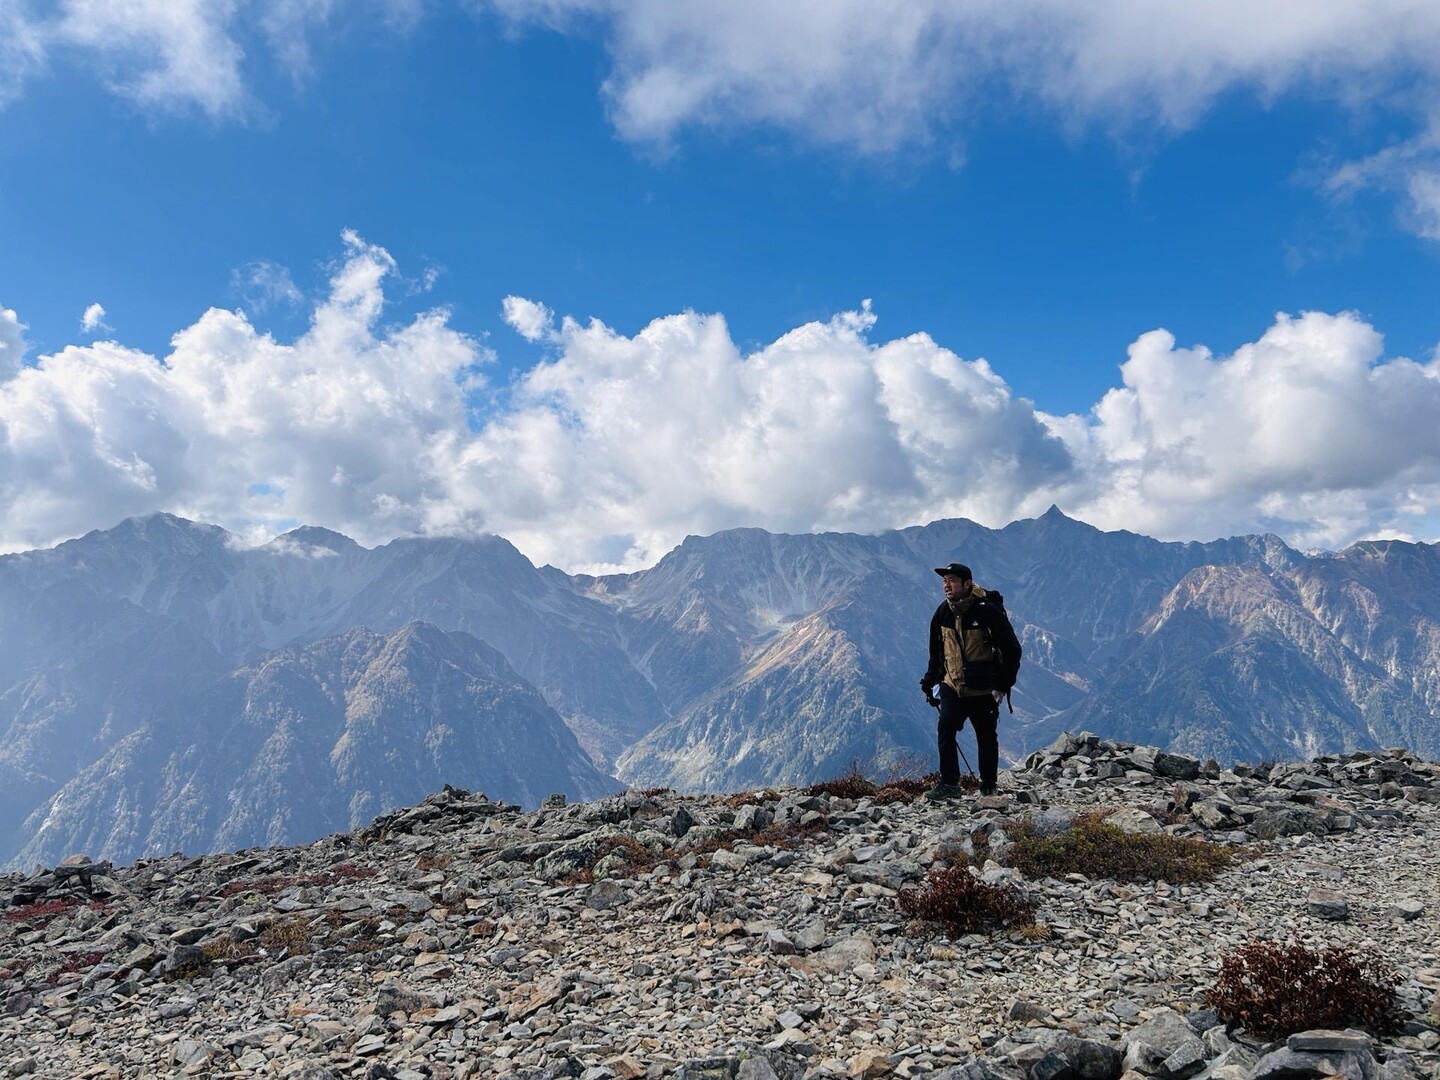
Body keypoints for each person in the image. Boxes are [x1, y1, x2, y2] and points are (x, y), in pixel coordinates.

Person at [919, 562, 1021, 800]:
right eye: (944, 581)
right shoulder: (942, 613)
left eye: (952, 581)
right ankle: (949, 783)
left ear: (967, 584)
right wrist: (930, 682)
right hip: (952, 684)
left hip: (983, 688)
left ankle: (988, 784)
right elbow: (936, 653)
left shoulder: (987, 611)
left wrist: (1003, 684)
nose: (946, 586)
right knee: (946, 728)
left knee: (986, 735)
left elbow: (1012, 649)